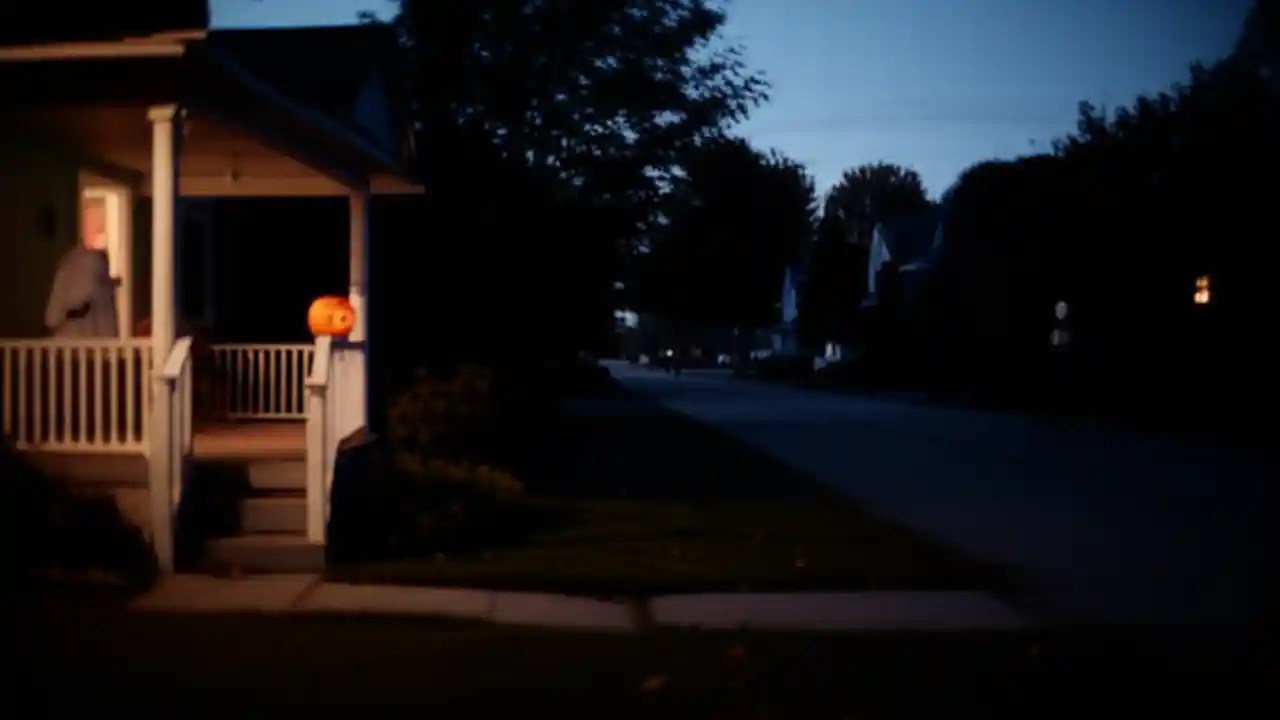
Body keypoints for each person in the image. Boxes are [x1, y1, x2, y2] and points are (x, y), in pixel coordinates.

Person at [44, 201, 119, 337]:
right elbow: (79, 302)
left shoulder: (88, 263)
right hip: (75, 340)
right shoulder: (75, 264)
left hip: (86, 342)